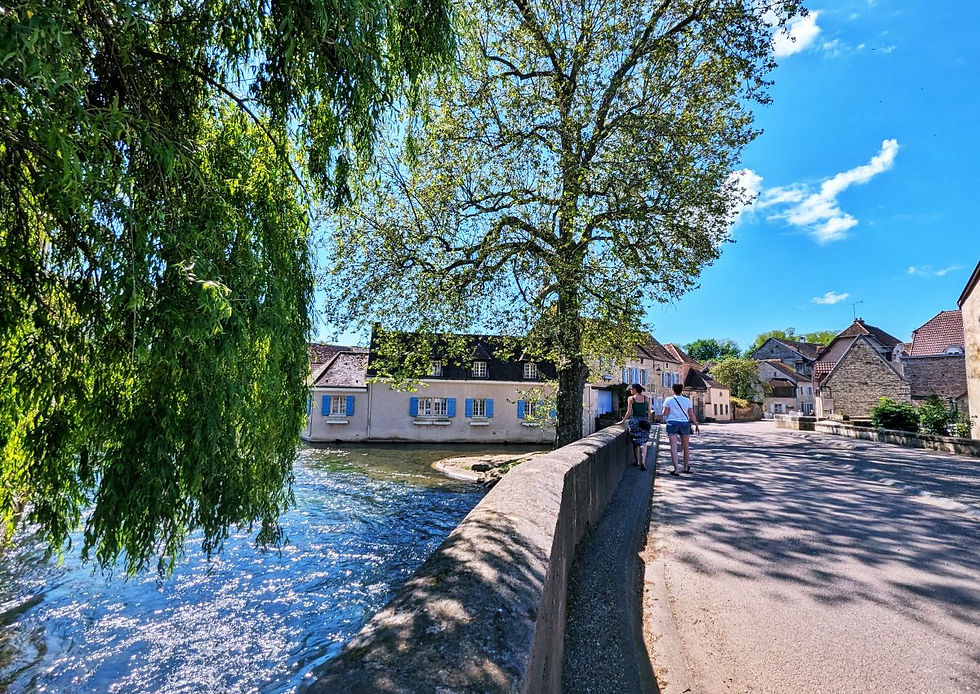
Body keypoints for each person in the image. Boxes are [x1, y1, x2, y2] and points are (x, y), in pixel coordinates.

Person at [662, 383, 700, 475]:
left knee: (673, 447)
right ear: (682, 390)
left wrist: (670, 411)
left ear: (673, 390)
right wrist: (696, 425)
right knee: (686, 447)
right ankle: (686, 467)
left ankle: (676, 469)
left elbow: (664, 413)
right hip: (684, 424)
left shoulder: (668, 400)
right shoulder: (687, 400)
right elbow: (691, 414)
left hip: (672, 423)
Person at [619, 383, 652, 471]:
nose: (630, 391)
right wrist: (647, 421)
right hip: (644, 422)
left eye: (631, 389)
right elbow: (649, 412)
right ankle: (643, 462)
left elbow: (629, 412)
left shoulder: (631, 398)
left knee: (636, 442)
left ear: (634, 389)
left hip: (635, 422)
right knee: (644, 442)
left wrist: (622, 421)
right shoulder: (647, 398)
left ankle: (637, 461)